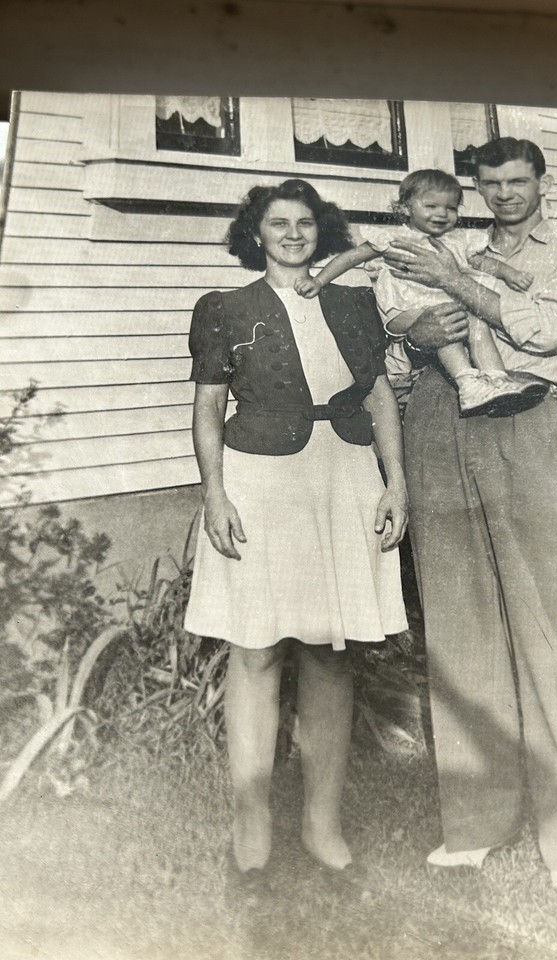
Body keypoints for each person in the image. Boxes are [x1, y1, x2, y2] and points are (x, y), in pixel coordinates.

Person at [383, 138, 557, 902]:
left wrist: (457, 285)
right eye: (491, 183)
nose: (505, 194)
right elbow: (396, 351)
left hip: (523, 419)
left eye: (518, 181)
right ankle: (477, 821)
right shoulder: (452, 246)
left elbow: (543, 333)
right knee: (459, 627)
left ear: (542, 183)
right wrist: (410, 336)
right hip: (439, 421)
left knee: (545, 631)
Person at [184, 178, 408, 878]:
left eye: (304, 222)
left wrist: (395, 479)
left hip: (343, 477)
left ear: (322, 230)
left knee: (330, 650)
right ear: (255, 233)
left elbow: (378, 397)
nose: (292, 234)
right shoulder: (225, 308)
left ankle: (321, 820)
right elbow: (208, 407)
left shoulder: (353, 302)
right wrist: (214, 493)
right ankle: (251, 817)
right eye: (277, 223)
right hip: (261, 481)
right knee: (254, 650)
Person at [294, 169, 545, 415]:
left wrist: (509, 273)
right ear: (405, 208)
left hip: (439, 308)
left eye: (450, 208)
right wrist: (318, 281)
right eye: (431, 206)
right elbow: (351, 257)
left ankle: (496, 379)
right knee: (444, 325)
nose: (442, 214)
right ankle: (468, 384)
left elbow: (482, 263)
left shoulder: (457, 240)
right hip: (402, 311)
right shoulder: (394, 237)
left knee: (477, 321)